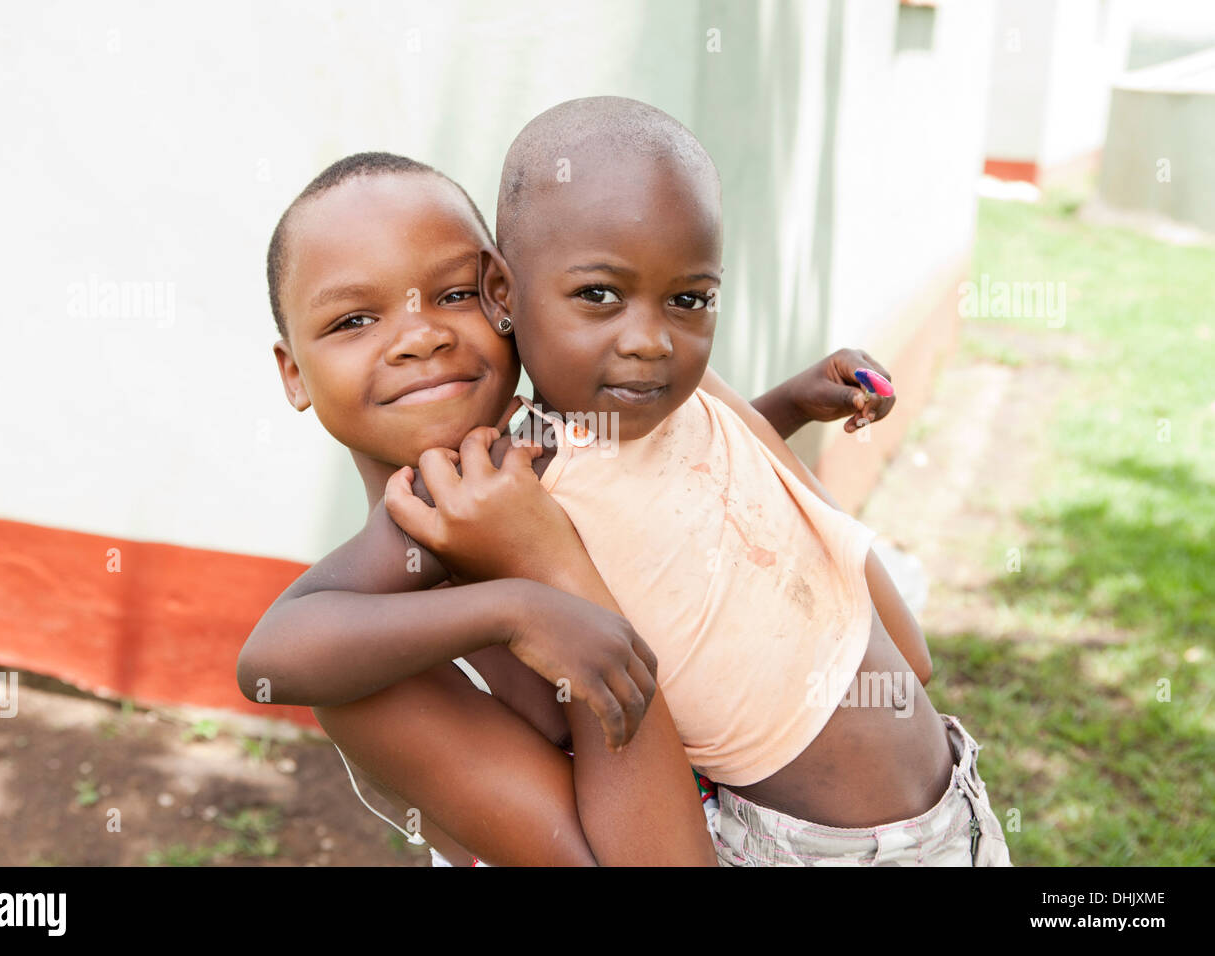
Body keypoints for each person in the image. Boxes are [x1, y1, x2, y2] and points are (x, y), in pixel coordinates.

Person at [386, 96, 1012, 867]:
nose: (650, 342)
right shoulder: (516, 484)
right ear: (504, 292)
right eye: (599, 295)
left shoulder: (679, 399)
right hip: (815, 852)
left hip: (958, 802)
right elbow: (299, 644)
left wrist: (787, 403)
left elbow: (692, 488)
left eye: (689, 299)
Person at [239, 150, 896, 865]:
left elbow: (674, 510)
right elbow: (271, 654)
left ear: (505, 297)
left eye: (455, 294)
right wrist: (527, 604)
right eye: (354, 319)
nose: (419, 336)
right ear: (294, 372)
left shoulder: (566, 436)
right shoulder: (370, 673)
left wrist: (783, 409)